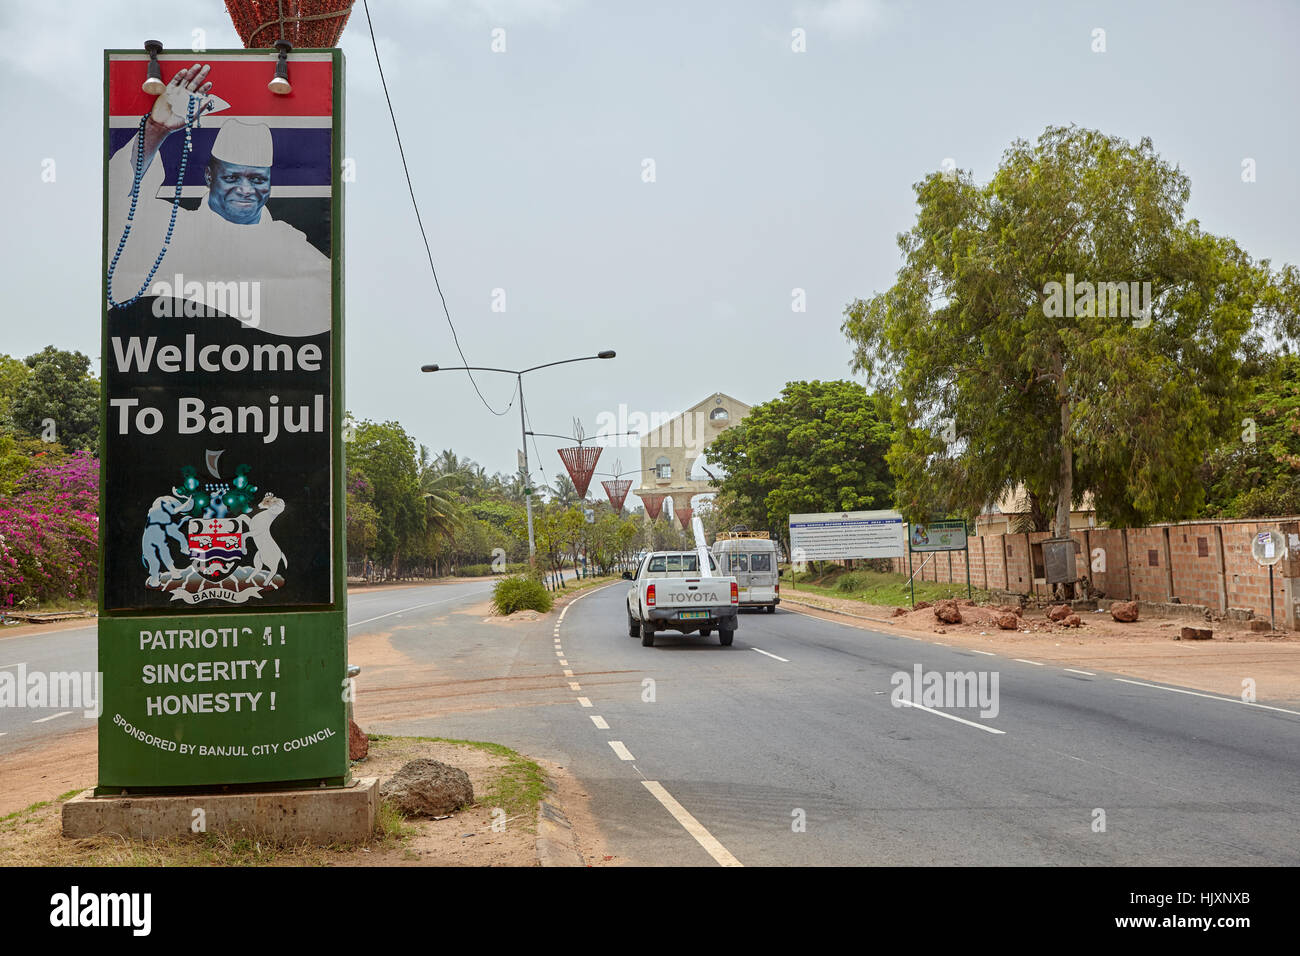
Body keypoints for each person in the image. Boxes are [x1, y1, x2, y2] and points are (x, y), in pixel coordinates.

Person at [107, 63, 331, 337]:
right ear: (209, 176)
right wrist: (155, 130)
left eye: (258, 180)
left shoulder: (288, 244)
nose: (246, 190)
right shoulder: (169, 225)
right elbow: (119, 199)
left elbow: (330, 301)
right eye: (233, 178)